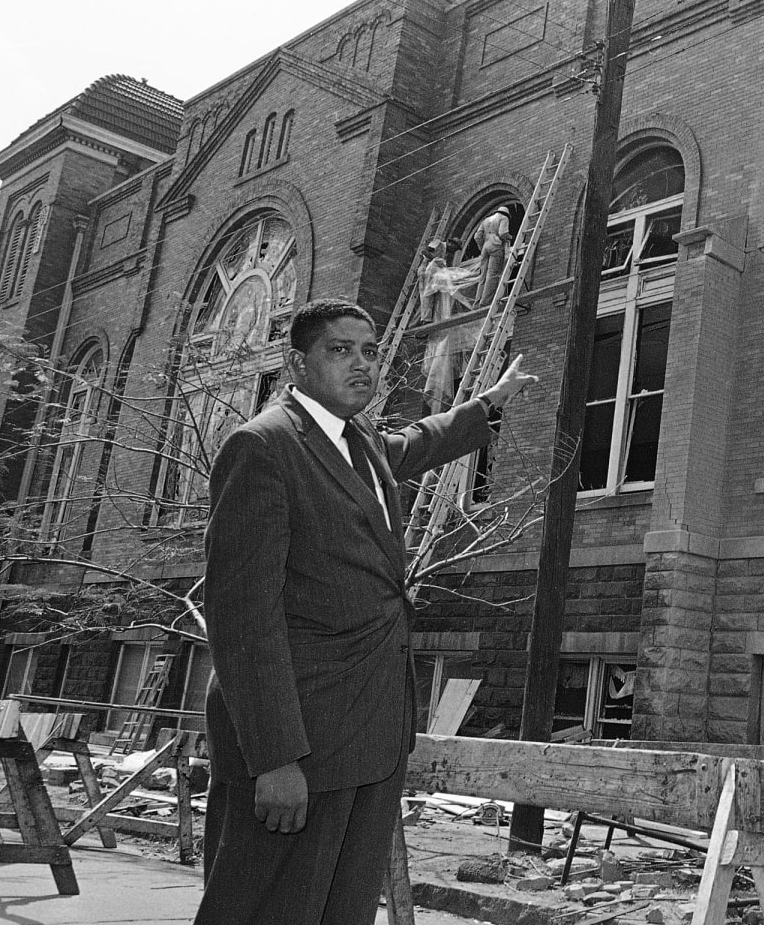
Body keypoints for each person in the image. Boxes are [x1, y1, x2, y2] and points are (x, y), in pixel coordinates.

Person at [195, 298, 538, 925]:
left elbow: (417, 443)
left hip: (368, 738)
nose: (362, 364)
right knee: (264, 911)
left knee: (341, 910)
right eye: (340, 350)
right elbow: (243, 620)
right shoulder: (263, 448)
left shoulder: (362, 443)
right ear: (297, 364)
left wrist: (487, 405)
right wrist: (274, 759)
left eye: (370, 350)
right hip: (299, 742)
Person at [472, 205, 512, 306]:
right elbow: (502, 233)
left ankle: (477, 302)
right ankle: (485, 302)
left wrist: (482, 247)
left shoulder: (486, 220)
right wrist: (509, 237)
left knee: (483, 276)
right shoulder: (504, 218)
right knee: (492, 275)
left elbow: (477, 236)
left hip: (486, 247)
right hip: (496, 246)